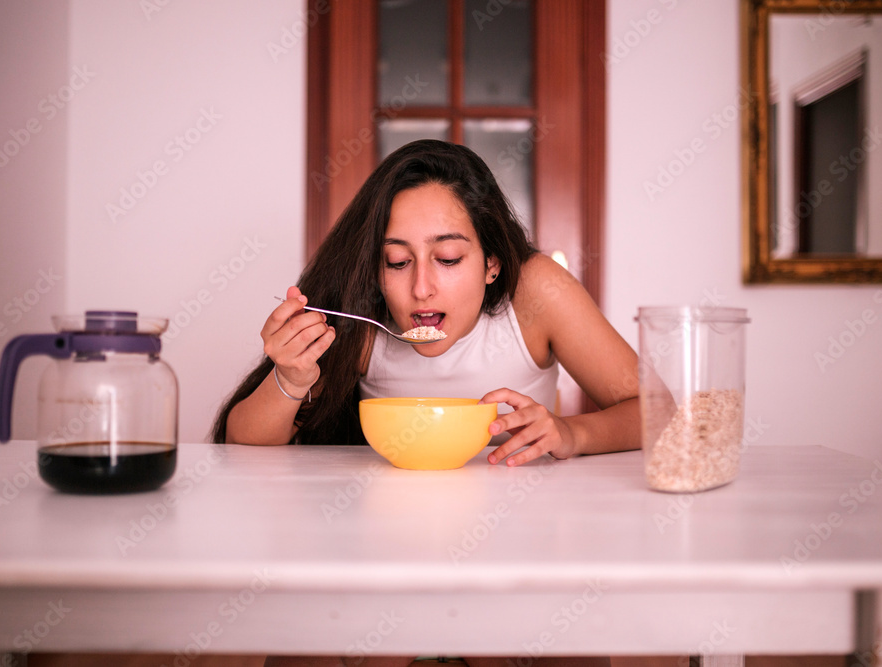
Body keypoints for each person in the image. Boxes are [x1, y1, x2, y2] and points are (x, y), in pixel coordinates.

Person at [211, 139, 643, 667]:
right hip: (385, 553)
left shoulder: (535, 293)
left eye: (448, 258)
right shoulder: (360, 324)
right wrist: (291, 375)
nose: (422, 288)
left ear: (491, 264)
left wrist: (573, 433)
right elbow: (243, 443)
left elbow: (657, 411)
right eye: (397, 261)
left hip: (520, 553)